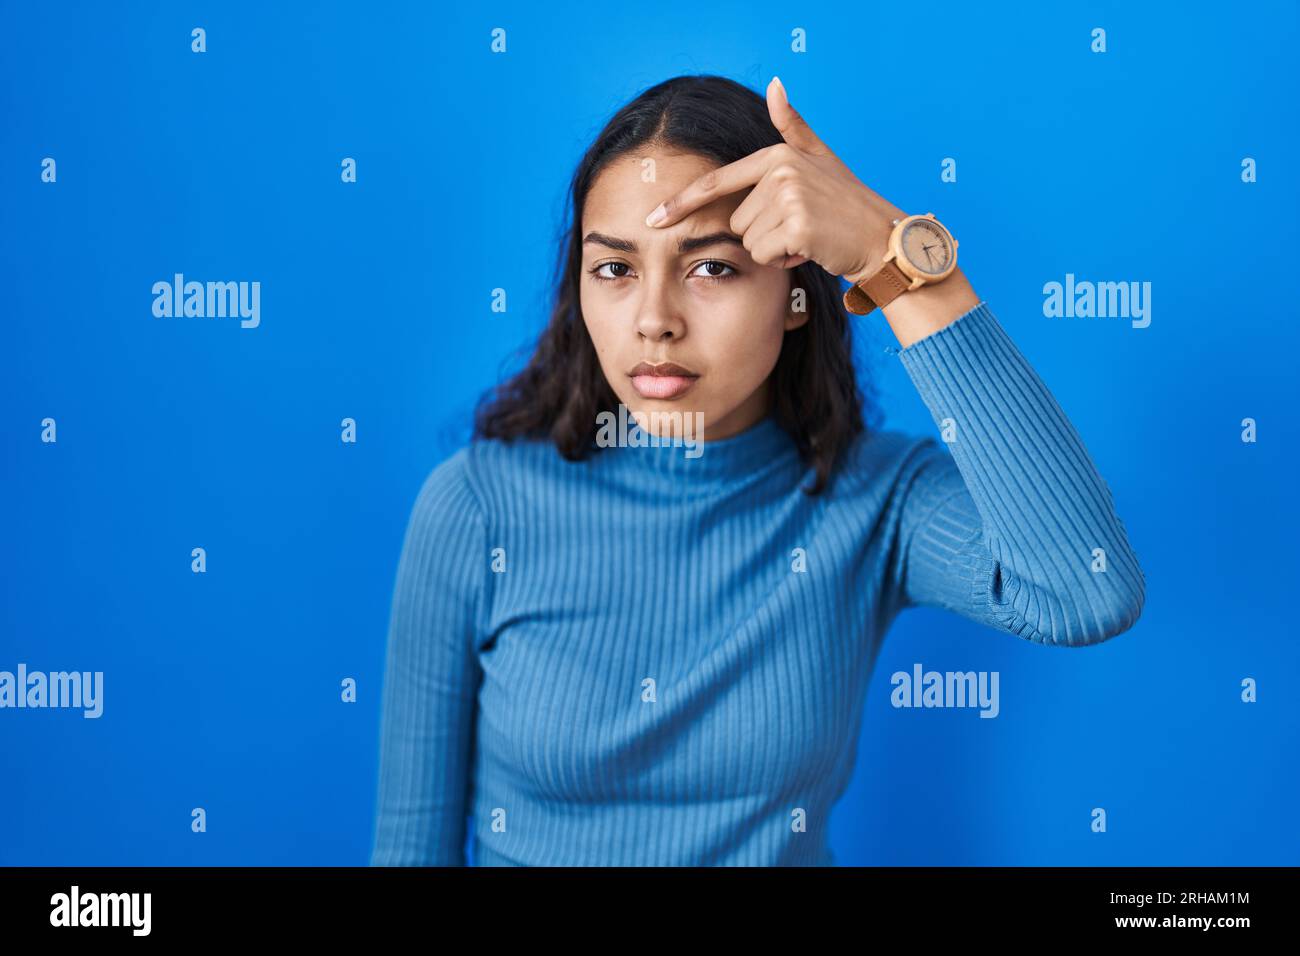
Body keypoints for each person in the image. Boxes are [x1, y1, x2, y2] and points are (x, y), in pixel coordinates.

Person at [369, 74, 1145, 867]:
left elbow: (1087, 590)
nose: (655, 321)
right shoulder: (477, 507)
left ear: (797, 295)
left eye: (712, 268)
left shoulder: (877, 500)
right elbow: (409, 847)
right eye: (615, 269)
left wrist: (896, 255)